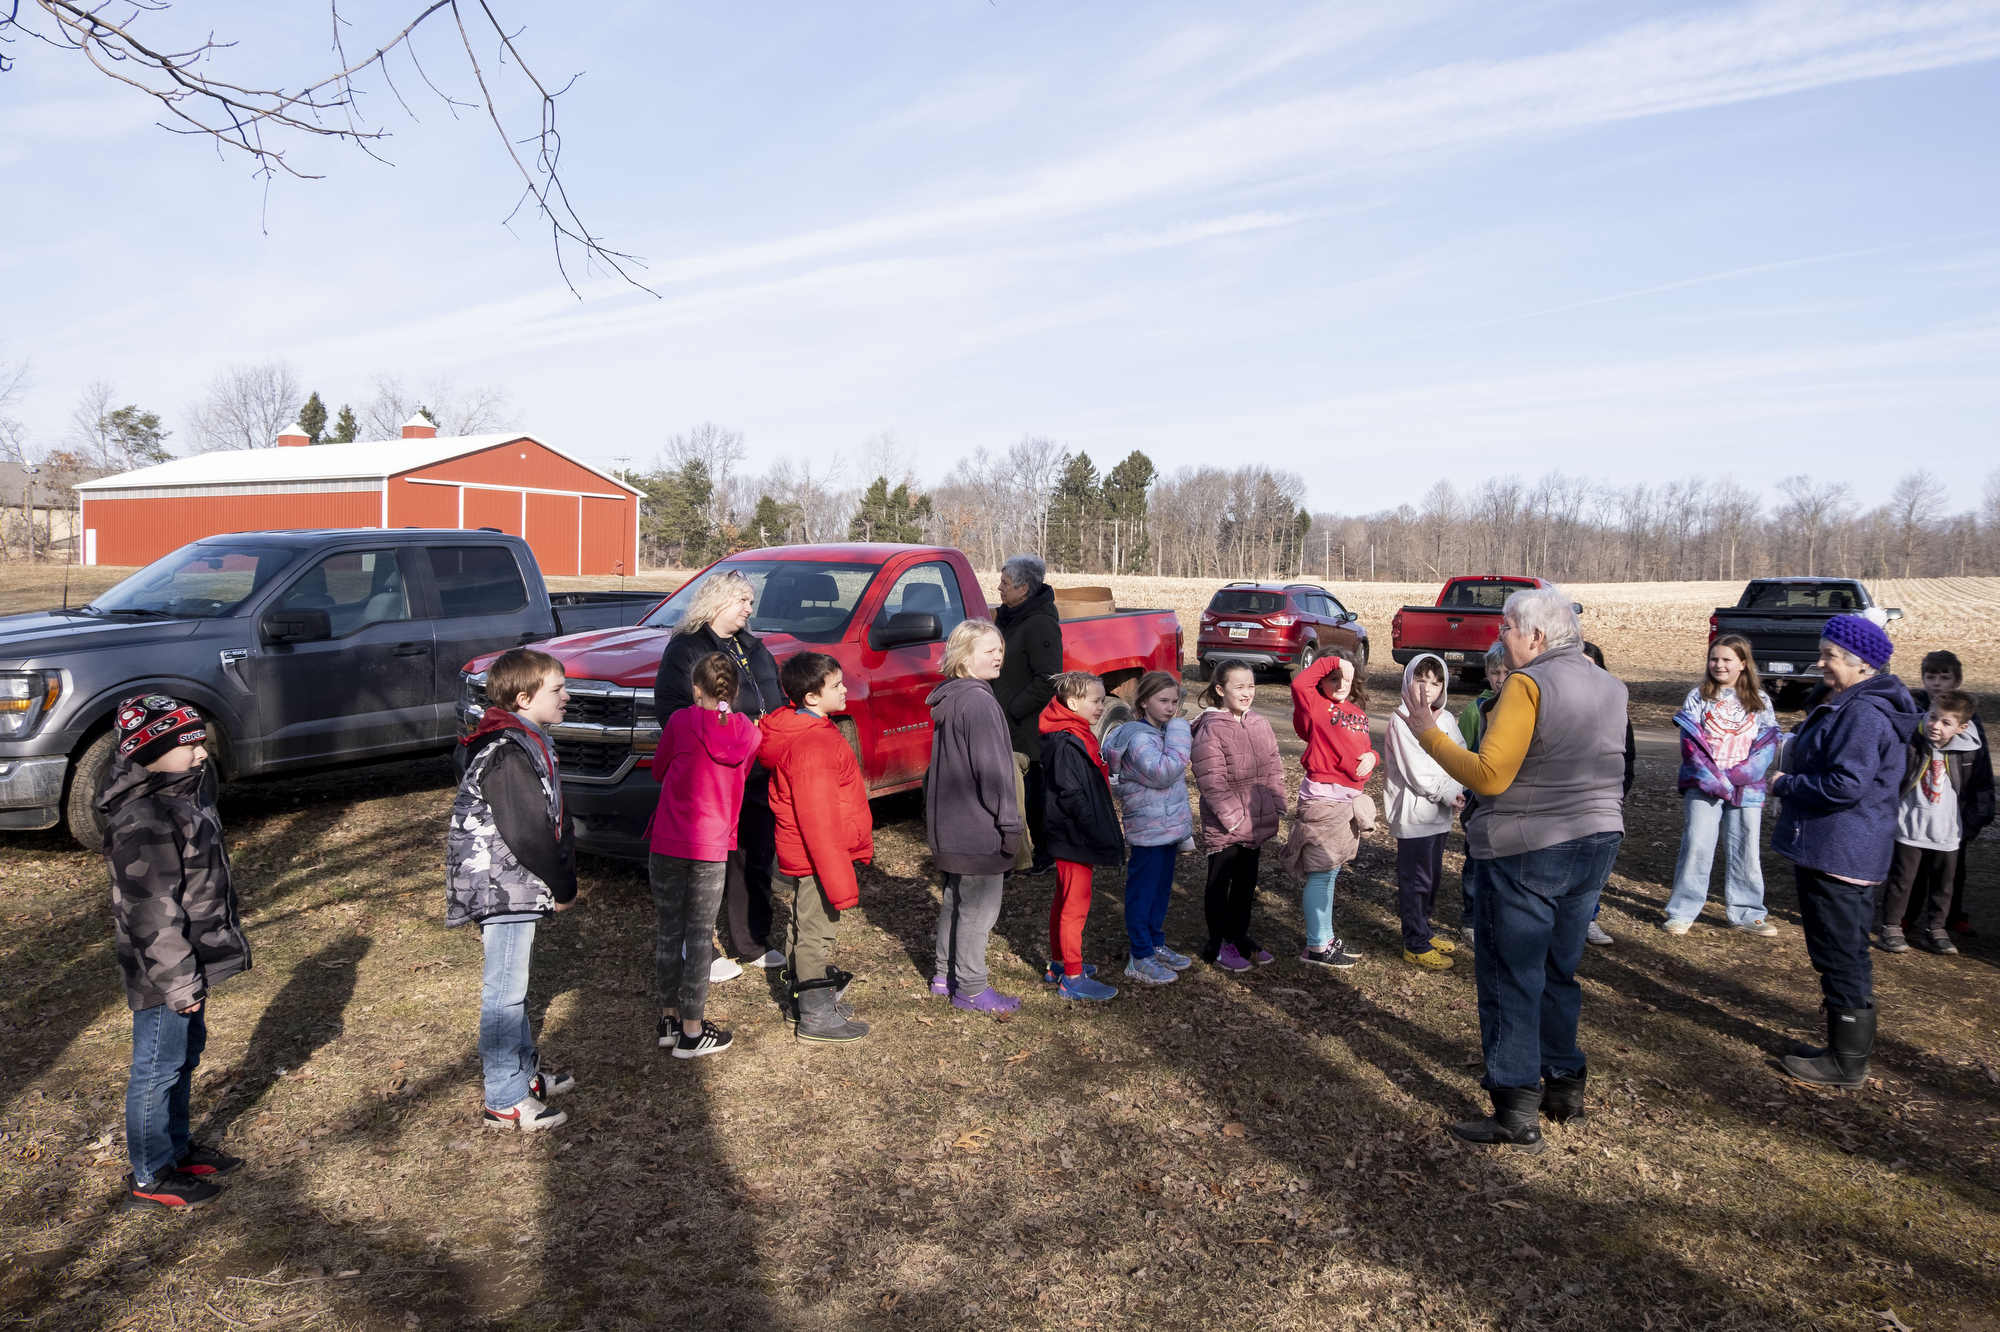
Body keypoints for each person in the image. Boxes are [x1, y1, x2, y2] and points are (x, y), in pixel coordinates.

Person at [1399, 587, 1628, 1152]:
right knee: (1558, 968)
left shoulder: (1529, 684)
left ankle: (1516, 1108)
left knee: (1511, 974)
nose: (1500, 637)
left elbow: (1490, 775)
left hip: (1531, 847)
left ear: (1537, 637)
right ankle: (1564, 1085)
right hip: (1598, 841)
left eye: (1506, 628)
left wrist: (1428, 734)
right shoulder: (1609, 684)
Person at [102, 695, 249, 1210]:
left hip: (189, 962)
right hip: (165, 974)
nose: (202, 753)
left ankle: (178, 1150)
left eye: (200, 742)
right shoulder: (143, 817)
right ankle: (151, 1174)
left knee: (183, 1059)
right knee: (157, 1069)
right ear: (151, 752)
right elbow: (152, 914)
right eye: (189, 744)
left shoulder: (180, 793)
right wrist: (180, 982)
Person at [1768, 615, 1922, 1090]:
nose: (1820, 663)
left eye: (1829, 655)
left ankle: (1847, 1062)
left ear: (1862, 665)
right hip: (1838, 847)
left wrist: (1785, 783)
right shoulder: (1854, 704)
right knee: (1838, 950)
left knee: (1841, 954)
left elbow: (1845, 785)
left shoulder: (1863, 714)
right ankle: (1841, 1049)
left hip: (1840, 851)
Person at [449, 648, 579, 1132]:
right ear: (524, 698)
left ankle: (524, 1076)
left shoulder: (527, 740)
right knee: (504, 993)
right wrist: (563, 885)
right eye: (557, 689)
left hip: (513, 884)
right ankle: (504, 1097)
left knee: (513, 989)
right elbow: (528, 833)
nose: (567, 696)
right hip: (500, 887)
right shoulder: (507, 751)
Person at [655, 570, 786, 972]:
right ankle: (699, 949)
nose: (750, 608)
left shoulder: (752, 646)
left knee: (755, 855)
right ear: (718, 601)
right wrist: (725, 737)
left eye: (751, 601)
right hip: (711, 774)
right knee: (703, 864)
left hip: (756, 768)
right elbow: (673, 710)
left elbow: (774, 696)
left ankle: (751, 941)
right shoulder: (687, 648)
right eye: (743, 600)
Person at [647, 651, 761, 1059]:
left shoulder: (680, 722)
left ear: (696, 690)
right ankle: (692, 1031)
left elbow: (658, 770)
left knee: (669, 931)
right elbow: (740, 773)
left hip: (669, 839)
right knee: (699, 936)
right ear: (735, 690)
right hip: (712, 845)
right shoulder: (749, 734)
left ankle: (669, 1019)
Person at [760, 651, 875, 1042]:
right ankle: (815, 1016)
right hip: (818, 854)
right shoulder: (813, 745)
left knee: (803, 922)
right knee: (815, 931)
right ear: (811, 696)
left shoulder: (810, 730)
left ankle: (803, 1001)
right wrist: (838, 874)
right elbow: (819, 819)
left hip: (810, 852)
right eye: (836, 685)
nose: (845, 690)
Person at [924, 619, 1026, 1013]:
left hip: (952, 827)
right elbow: (994, 772)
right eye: (989, 650)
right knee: (978, 910)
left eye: (1000, 648)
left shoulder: (952, 698)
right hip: (978, 828)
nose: (999, 655)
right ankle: (970, 987)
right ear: (965, 658)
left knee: (956, 900)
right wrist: (1010, 825)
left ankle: (943, 975)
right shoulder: (980, 703)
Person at [1662, 634, 1780, 937]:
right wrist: (1715, 781)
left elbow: (1767, 745)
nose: (1719, 664)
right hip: (1703, 787)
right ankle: (1682, 911)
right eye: (1714, 658)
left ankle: (1748, 912)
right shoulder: (1698, 697)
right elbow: (1690, 746)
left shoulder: (1760, 701)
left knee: (1745, 849)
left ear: (1743, 664)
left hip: (1747, 789)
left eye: (1727, 659)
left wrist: (1736, 778)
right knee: (1696, 846)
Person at [1101, 670, 1196, 986]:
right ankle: (1140, 956)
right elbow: (1165, 771)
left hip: (1166, 828)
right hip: (1148, 829)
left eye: (1174, 702)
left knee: (1160, 890)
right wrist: (1180, 728)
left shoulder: (1161, 733)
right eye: (1163, 701)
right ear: (1143, 702)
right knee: (1142, 892)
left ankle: (1155, 943)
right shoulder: (1139, 738)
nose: (1171, 708)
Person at [1194, 659, 1287, 971]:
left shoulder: (1259, 723)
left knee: (1246, 883)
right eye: (1239, 687)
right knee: (1220, 883)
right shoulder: (1211, 727)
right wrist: (1233, 818)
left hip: (1255, 819)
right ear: (1221, 690)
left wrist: (1276, 801)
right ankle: (1218, 943)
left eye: (1251, 686)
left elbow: (1273, 765)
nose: (1247, 693)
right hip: (1227, 824)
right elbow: (1211, 780)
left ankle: (1238, 936)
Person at [1038, 670, 1123, 1001]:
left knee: (1064, 899)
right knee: (1075, 905)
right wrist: (1096, 830)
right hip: (1074, 836)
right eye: (1095, 701)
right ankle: (1072, 977)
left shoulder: (1077, 733)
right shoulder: (1067, 742)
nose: (1101, 706)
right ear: (1072, 703)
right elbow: (1072, 795)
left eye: (1103, 700)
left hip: (1071, 834)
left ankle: (1060, 964)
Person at [1289, 648, 1377, 967]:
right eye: (1333, 678)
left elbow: (1362, 748)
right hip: (1324, 802)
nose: (1340, 684)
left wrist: (1373, 757)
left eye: (1346, 678)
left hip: (1347, 803)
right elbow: (1299, 684)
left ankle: (1325, 938)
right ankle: (1316, 946)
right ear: (1321, 679)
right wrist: (1334, 662)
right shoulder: (1313, 705)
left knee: (1331, 872)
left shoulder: (1357, 713)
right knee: (1322, 874)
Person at [1879, 690, 1981, 956]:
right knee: (1901, 880)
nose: (1936, 725)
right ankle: (1891, 927)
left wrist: (1971, 825)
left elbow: (1979, 789)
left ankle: (1936, 928)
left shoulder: (1970, 752)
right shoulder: (1911, 740)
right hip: (1909, 826)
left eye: (1946, 722)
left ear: (1961, 728)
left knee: (1944, 884)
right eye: (1933, 717)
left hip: (1948, 831)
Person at [1384, 654, 1466, 970]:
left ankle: (1424, 931)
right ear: (1409, 681)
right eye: (1421, 680)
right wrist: (1447, 792)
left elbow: (1458, 756)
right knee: (1416, 880)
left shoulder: (1445, 719)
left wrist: (1456, 789)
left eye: (1435, 682)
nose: (1428, 688)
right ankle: (1415, 943)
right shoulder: (1402, 719)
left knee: (1431, 879)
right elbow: (1416, 770)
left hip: (1439, 815)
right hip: (1414, 814)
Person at [1911, 651, 1993, 937]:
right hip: (1919, 805)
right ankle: (1906, 915)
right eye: (1930, 677)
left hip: (1955, 809)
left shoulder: (1968, 718)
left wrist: (1978, 814)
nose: (1936, 683)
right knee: (1913, 867)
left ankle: (1952, 915)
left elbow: (1981, 767)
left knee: (1952, 869)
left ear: (1956, 681)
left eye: (1944, 678)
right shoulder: (1914, 711)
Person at [992, 554, 1064, 875]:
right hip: (1003, 720)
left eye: (1005, 583)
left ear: (1024, 589)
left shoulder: (1039, 623)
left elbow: (1049, 679)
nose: (999, 588)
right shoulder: (1008, 616)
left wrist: (1013, 709)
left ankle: (1046, 852)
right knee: (1009, 790)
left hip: (1024, 724)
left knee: (1032, 792)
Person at [1579, 641, 1635, 947]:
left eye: (1592, 667)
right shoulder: (1560, 707)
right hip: (1564, 804)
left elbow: (1628, 758)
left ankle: (1588, 919)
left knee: (1593, 869)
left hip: (1602, 805)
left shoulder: (1616, 710)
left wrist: (1616, 794)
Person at [1456, 640, 1510, 948]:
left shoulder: (1522, 706)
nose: (1500, 679)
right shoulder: (1473, 711)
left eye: (1507, 672)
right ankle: (1471, 919)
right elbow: (1460, 754)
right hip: (1478, 800)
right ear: (1486, 673)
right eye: (1495, 673)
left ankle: (1500, 918)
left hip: (1511, 802)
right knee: (1475, 861)